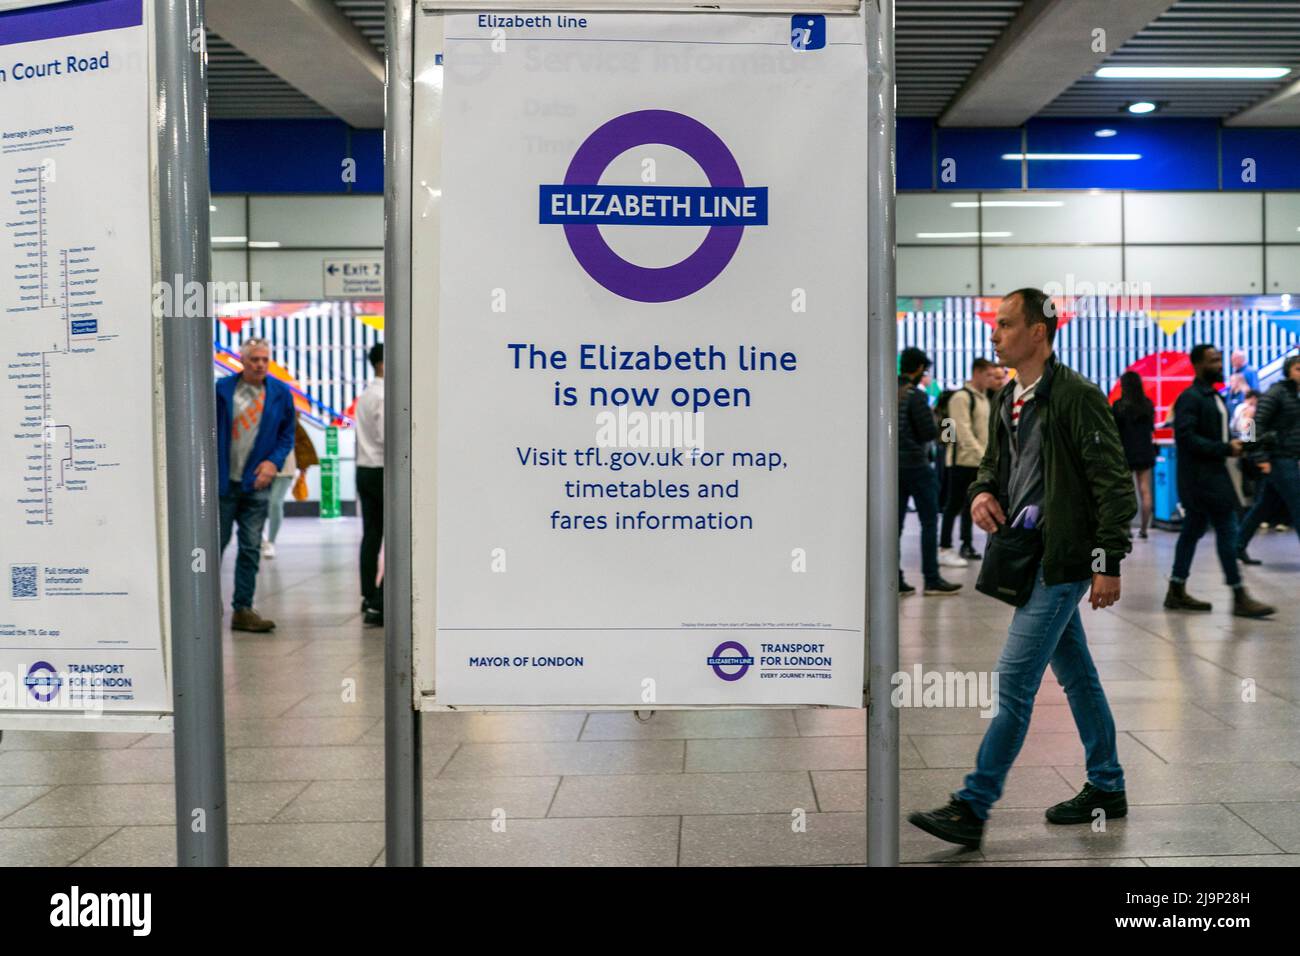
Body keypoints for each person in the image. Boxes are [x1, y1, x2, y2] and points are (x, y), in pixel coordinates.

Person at [908, 288, 1136, 850]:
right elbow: (993, 462)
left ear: (1038, 331)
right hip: (1028, 552)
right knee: (1079, 677)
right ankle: (1106, 785)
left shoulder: (1076, 396)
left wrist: (1106, 561)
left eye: (1006, 324)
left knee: (1013, 684)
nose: (995, 334)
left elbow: (1112, 480)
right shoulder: (1012, 394)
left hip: (1061, 561)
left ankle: (973, 805)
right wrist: (983, 491)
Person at [1163, 345, 1274, 618]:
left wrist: (1232, 446)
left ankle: (1176, 589)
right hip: (1204, 479)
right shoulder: (1192, 397)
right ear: (1198, 365)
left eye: (1220, 359)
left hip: (1209, 476)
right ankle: (1238, 594)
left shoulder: (1213, 395)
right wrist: (1225, 448)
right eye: (1214, 361)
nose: (1220, 364)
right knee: (1227, 527)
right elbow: (1186, 438)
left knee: (1193, 530)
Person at [216, 337, 296, 632]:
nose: (261, 364)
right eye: (255, 360)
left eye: (265, 359)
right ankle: (207, 606)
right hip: (223, 484)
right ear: (242, 361)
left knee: (250, 547)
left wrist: (273, 463)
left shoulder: (279, 393)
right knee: (216, 545)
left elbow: (286, 435)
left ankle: (243, 609)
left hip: (256, 484)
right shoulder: (222, 391)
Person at [897, 347, 961, 596]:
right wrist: (943, 423)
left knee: (896, 525)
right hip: (917, 466)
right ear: (920, 369)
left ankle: (896, 578)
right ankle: (932, 579)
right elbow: (927, 433)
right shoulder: (916, 396)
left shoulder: (890, 392)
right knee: (929, 522)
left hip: (894, 469)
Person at [1237, 355, 1300, 562]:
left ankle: (1237, 546)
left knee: (1262, 506)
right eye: (1298, 369)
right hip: (1279, 458)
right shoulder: (1276, 393)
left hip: (1288, 456)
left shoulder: (1294, 395)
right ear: (1288, 371)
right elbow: (1257, 426)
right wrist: (1260, 457)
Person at [938, 358, 995, 566]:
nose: (991, 379)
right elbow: (962, 432)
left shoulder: (983, 399)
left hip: (977, 461)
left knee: (969, 506)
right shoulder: (961, 398)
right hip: (962, 461)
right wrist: (983, 457)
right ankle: (944, 547)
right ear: (977, 373)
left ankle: (967, 544)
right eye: (988, 374)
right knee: (953, 505)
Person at [355, 343, 385, 626]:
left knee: (371, 536)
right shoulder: (384, 395)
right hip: (381, 471)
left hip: (364, 469)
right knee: (396, 537)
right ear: (381, 364)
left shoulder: (365, 394)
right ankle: (381, 602)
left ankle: (368, 595)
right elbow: (389, 438)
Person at [262, 415, 321, 559]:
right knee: (259, 504)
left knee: (275, 503)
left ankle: (270, 542)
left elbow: (301, 441)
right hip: (261, 466)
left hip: (286, 467)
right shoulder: (259, 414)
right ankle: (260, 538)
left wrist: (303, 465)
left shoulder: (290, 415)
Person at [1112, 371, 1157, 540]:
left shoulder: (1118, 406)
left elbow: (1114, 432)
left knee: (1126, 491)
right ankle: (1144, 529)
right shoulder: (1148, 405)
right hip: (1145, 451)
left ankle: (1127, 528)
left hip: (1124, 453)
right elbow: (1151, 428)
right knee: (1145, 490)